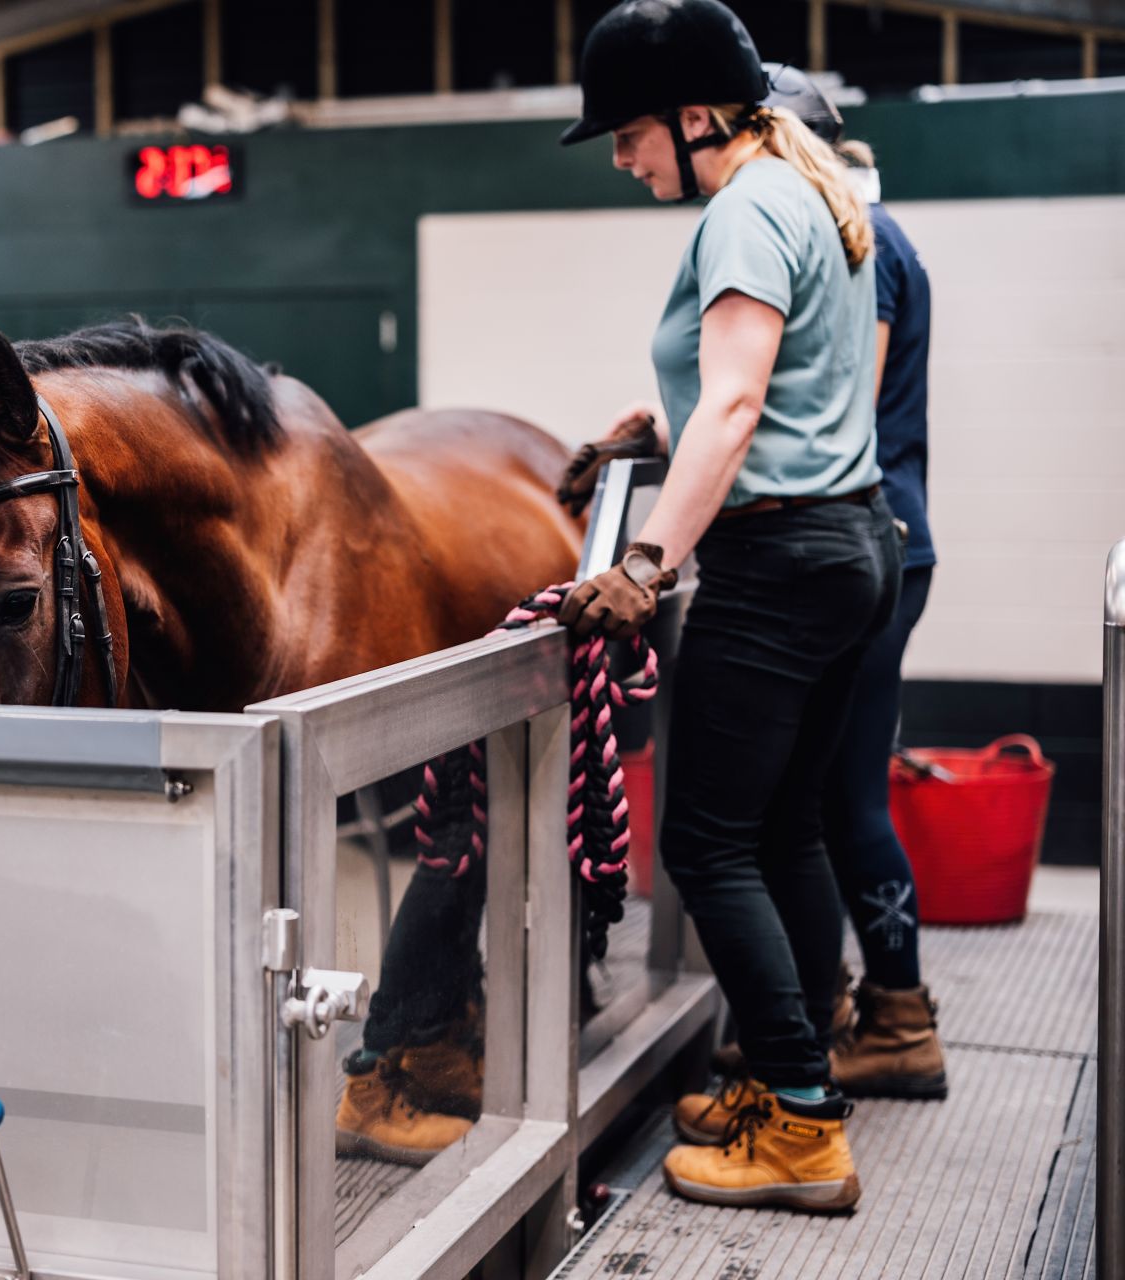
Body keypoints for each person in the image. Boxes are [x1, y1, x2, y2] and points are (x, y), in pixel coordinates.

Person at [556, 0, 900, 1212]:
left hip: (778, 565)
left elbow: (741, 406)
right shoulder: (808, 193)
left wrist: (645, 560)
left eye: (629, 133)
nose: (621, 157)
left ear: (696, 116)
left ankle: (801, 1125)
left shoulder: (746, 210)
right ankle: (785, 1076)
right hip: (851, 540)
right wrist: (653, 432)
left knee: (704, 842)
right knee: (786, 829)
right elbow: (788, 389)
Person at [760, 64, 948, 1099]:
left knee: (844, 799)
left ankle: (896, 1019)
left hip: (872, 539)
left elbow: (845, 400)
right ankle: (841, 1006)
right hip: (892, 537)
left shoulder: (859, 243)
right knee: (832, 796)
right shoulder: (873, 231)